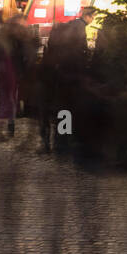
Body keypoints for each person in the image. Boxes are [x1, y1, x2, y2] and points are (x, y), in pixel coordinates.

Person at [36, 8, 94, 152]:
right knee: (64, 107)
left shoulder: (56, 43)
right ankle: (61, 141)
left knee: (48, 107)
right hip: (67, 74)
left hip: (51, 74)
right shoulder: (79, 29)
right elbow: (82, 50)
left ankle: (46, 141)